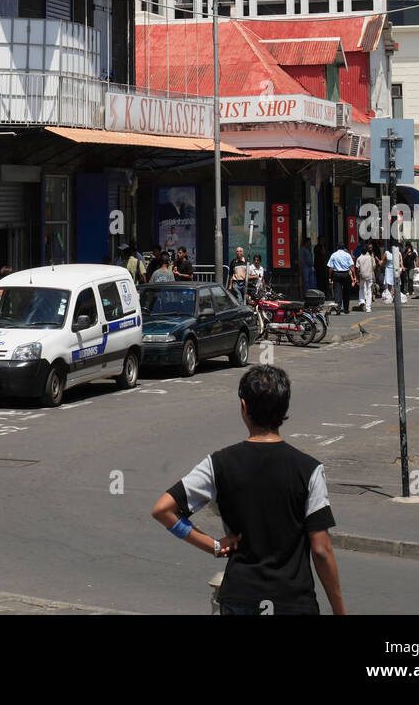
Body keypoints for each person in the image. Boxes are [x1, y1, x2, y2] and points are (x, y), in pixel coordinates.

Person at [151, 364, 346, 616]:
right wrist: (340, 610)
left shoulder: (218, 464)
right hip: (293, 600)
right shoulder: (309, 470)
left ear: (244, 407)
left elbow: (162, 510)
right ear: (284, 409)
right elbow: (321, 550)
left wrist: (215, 546)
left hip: (241, 597)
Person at [327, 244, 356, 315]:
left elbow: (331, 268)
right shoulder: (347, 255)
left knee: (337, 292)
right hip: (346, 274)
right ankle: (346, 309)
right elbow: (352, 267)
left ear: (337, 248)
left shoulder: (333, 255)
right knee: (346, 292)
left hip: (337, 274)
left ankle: (338, 309)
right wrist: (354, 276)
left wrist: (330, 277)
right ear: (343, 248)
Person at [355, 244, 376, 314]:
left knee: (361, 288)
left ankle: (362, 300)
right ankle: (368, 308)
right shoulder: (370, 257)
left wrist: (357, 277)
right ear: (367, 250)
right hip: (370, 275)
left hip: (362, 276)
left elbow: (357, 269)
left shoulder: (359, 258)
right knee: (369, 290)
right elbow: (374, 266)